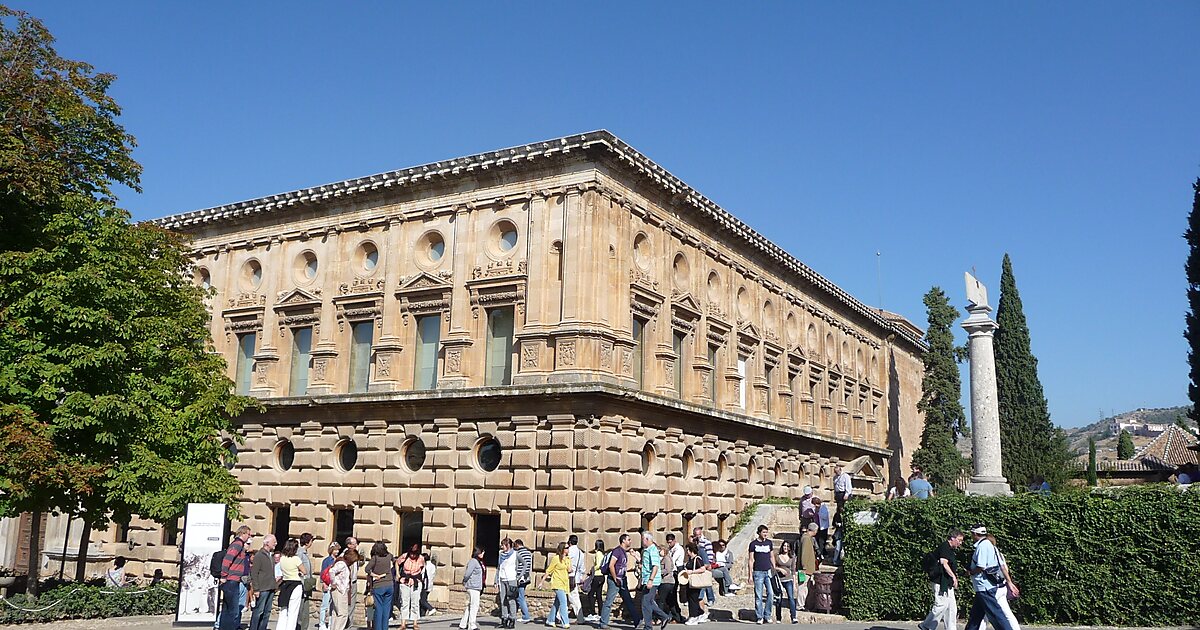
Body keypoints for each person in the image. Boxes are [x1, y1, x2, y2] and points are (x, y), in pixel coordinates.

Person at [962, 527, 1014, 630]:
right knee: (975, 616)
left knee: (996, 614)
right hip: (986, 586)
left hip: (984, 586)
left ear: (975, 534)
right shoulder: (990, 545)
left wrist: (970, 572)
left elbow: (981, 566)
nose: (972, 536)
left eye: (972, 534)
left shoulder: (982, 546)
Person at [918, 529, 963, 630]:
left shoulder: (950, 549)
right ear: (952, 538)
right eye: (959, 540)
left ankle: (951, 628)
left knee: (951, 608)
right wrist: (953, 577)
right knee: (941, 605)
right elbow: (944, 562)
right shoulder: (945, 547)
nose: (960, 543)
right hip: (940, 582)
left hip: (947, 583)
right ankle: (926, 626)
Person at [599, 534, 640, 629]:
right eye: (628, 539)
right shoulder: (617, 551)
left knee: (628, 601)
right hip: (615, 580)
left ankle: (637, 621)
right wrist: (615, 578)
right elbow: (611, 565)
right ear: (623, 541)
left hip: (622, 580)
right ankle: (603, 623)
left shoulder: (624, 552)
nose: (630, 541)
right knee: (609, 601)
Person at [980, 534, 1021, 630]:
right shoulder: (999, 554)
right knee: (1007, 614)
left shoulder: (987, 554)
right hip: (1002, 587)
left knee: (983, 615)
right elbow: (1004, 569)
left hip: (991, 588)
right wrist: (1009, 582)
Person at [219, 526, 253, 630]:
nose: (249, 536)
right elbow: (227, 560)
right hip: (231, 580)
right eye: (248, 534)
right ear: (243, 533)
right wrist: (224, 576)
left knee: (227, 609)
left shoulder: (239, 545)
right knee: (232, 610)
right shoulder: (237, 544)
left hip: (233, 580)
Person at [638, 532, 670, 630]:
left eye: (643, 539)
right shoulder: (647, 550)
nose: (642, 541)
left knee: (645, 603)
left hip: (651, 580)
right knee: (649, 602)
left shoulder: (652, 550)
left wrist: (651, 580)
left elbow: (656, 566)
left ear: (647, 539)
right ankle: (664, 617)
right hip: (647, 579)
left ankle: (648, 627)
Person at [277, 538, 308, 630]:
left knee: (283, 610)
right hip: (295, 584)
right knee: (293, 611)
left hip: (285, 584)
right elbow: (304, 571)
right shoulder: (296, 559)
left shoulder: (282, 559)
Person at [249, 534, 278, 630]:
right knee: (258, 611)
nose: (276, 544)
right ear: (267, 543)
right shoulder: (259, 555)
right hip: (262, 588)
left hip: (271, 587)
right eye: (274, 542)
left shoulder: (270, 556)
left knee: (267, 612)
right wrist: (256, 589)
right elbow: (254, 573)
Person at [749, 525, 776, 624]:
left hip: (768, 571)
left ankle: (767, 614)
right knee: (758, 595)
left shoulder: (769, 543)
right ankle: (759, 616)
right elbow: (751, 559)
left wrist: (774, 568)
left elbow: (772, 556)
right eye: (763, 532)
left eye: (766, 532)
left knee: (771, 593)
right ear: (759, 532)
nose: (765, 534)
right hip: (758, 572)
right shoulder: (753, 544)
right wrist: (750, 574)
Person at [365, 541, 395, 630]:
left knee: (379, 609)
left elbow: (367, 569)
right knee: (386, 609)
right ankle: (385, 628)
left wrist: (375, 575)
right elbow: (396, 561)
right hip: (390, 584)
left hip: (379, 585)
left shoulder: (375, 558)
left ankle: (378, 628)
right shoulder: (389, 556)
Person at [396, 544, 427, 630]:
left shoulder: (421, 558)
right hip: (405, 581)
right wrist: (398, 575)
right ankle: (403, 623)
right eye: (411, 553)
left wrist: (421, 580)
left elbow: (423, 570)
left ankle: (415, 623)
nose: (412, 555)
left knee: (415, 602)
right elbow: (397, 563)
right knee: (404, 603)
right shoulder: (405, 556)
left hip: (416, 581)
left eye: (414, 554)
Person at [656, 534, 683, 624]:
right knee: (670, 598)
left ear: (674, 540)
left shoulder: (678, 549)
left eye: (670, 542)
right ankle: (675, 615)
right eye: (668, 542)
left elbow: (671, 564)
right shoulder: (670, 550)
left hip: (673, 575)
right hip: (670, 576)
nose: (669, 544)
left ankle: (672, 616)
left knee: (668, 598)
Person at [330, 549, 360, 630]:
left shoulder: (343, 563)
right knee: (343, 614)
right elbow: (331, 571)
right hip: (339, 590)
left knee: (336, 613)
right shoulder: (342, 564)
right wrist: (333, 583)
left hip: (340, 590)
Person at [544, 542, 572, 629]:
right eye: (566, 547)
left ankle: (550, 620)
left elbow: (570, 570)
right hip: (557, 582)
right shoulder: (556, 558)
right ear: (562, 549)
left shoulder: (567, 559)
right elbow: (549, 570)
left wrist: (567, 562)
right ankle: (565, 622)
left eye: (568, 547)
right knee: (564, 603)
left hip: (564, 583)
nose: (568, 549)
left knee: (557, 603)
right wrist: (542, 581)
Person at [680, 543, 709, 626]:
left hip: (695, 582)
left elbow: (702, 568)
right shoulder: (690, 559)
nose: (687, 552)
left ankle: (694, 616)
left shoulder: (697, 559)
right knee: (691, 599)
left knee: (693, 599)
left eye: (688, 550)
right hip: (689, 582)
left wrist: (692, 572)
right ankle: (699, 613)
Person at [460, 547, 485, 630]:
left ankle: (463, 624)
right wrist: (464, 581)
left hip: (477, 586)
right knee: (474, 605)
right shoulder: (473, 561)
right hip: (473, 586)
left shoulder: (479, 562)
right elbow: (467, 573)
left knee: (470, 605)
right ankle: (472, 625)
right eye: (482, 552)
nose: (483, 554)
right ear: (478, 553)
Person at [690, 528, 716, 610]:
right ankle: (708, 598)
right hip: (699, 564)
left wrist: (708, 564)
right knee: (704, 583)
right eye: (696, 535)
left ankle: (710, 598)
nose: (697, 537)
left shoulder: (706, 542)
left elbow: (709, 554)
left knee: (705, 583)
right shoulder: (694, 542)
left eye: (698, 535)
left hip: (705, 564)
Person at [582, 540, 607, 622]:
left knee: (591, 594)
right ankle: (600, 613)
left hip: (597, 576)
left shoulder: (598, 554)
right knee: (599, 595)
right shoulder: (603, 554)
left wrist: (592, 569)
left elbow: (598, 565)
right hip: (602, 576)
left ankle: (592, 613)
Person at [497, 539, 519, 628]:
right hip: (502, 579)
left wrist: (519, 575)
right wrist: (496, 580)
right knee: (503, 600)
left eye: (503, 545)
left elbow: (524, 564)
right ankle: (504, 619)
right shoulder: (501, 554)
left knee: (511, 600)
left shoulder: (515, 554)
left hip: (511, 579)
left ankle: (512, 619)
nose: (502, 547)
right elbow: (499, 567)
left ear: (508, 545)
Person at [773, 541, 797, 623]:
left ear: (789, 548)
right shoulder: (777, 556)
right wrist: (780, 569)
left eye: (787, 546)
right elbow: (773, 566)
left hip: (788, 580)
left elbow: (793, 570)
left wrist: (794, 583)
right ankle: (778, 617)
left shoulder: (792, 557)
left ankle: (793, 617)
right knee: (779, 599)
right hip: (779, 580)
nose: (785, 548)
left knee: (791, 598)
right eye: (784, 546)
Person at [320, 542, 342, 630]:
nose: (337, 551)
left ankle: (331, 623)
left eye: (338, 550)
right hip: (328, 583)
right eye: (335, 550)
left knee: (333, 605)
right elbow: (323, 572)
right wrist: (323, 583)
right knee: (325, 605)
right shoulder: (327, 560)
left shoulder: (338, 560)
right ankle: (321, 623)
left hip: (335, 584)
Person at [798, 524, 819, 611]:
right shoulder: (806, 539)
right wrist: (804, 566)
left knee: (806, 587)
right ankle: (800, 605)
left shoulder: (807, 538)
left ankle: (804, 604)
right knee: (802, 586)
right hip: (805, 569)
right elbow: (805, 554)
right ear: (814, 530)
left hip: (807, 569)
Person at [297, 533, 316, 630]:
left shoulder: (304, 553)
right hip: (301, 585)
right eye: (311, 541)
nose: (312, 543)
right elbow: (297, 567)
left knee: (305, 610)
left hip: (306, 586)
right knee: (300, 610)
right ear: (307, 542)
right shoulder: (300, 553)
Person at [514, 540, 534, 623]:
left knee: (520, 597)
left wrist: (516, 577)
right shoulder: (529, 553)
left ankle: (526, 616)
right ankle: (514, 613)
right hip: (526, 577)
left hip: (520, 577)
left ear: (517, 545)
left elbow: (517, 565)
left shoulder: (518, 553)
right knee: (519, 596)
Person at [567, 535, 586, 621]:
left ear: (569, 542)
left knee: (573, 597)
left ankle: (580, 618)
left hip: (569, 576)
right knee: (567, 597)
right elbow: (582, 568)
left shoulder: (569, 551)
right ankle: (558, 616)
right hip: (576, 577)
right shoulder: (580, 553)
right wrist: (581, 577)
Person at [344, 537, 360, 630]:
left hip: (354, 582)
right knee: (346, 605)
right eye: (354, 544)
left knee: (352, 605)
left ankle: (349, 625)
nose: (356, 545)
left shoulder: (355, 554)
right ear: (349, 545)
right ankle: (345, 624)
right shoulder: (345, 555)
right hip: (347, 583)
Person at [813, 497, 830, 562]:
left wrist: (818, 513)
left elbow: (825, 517)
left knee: (821, 541)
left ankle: (821, 554)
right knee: (818, 541)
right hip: (818, 527)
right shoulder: (817, 508)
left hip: (823, 527)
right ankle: (823, 553)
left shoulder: (823, 508)